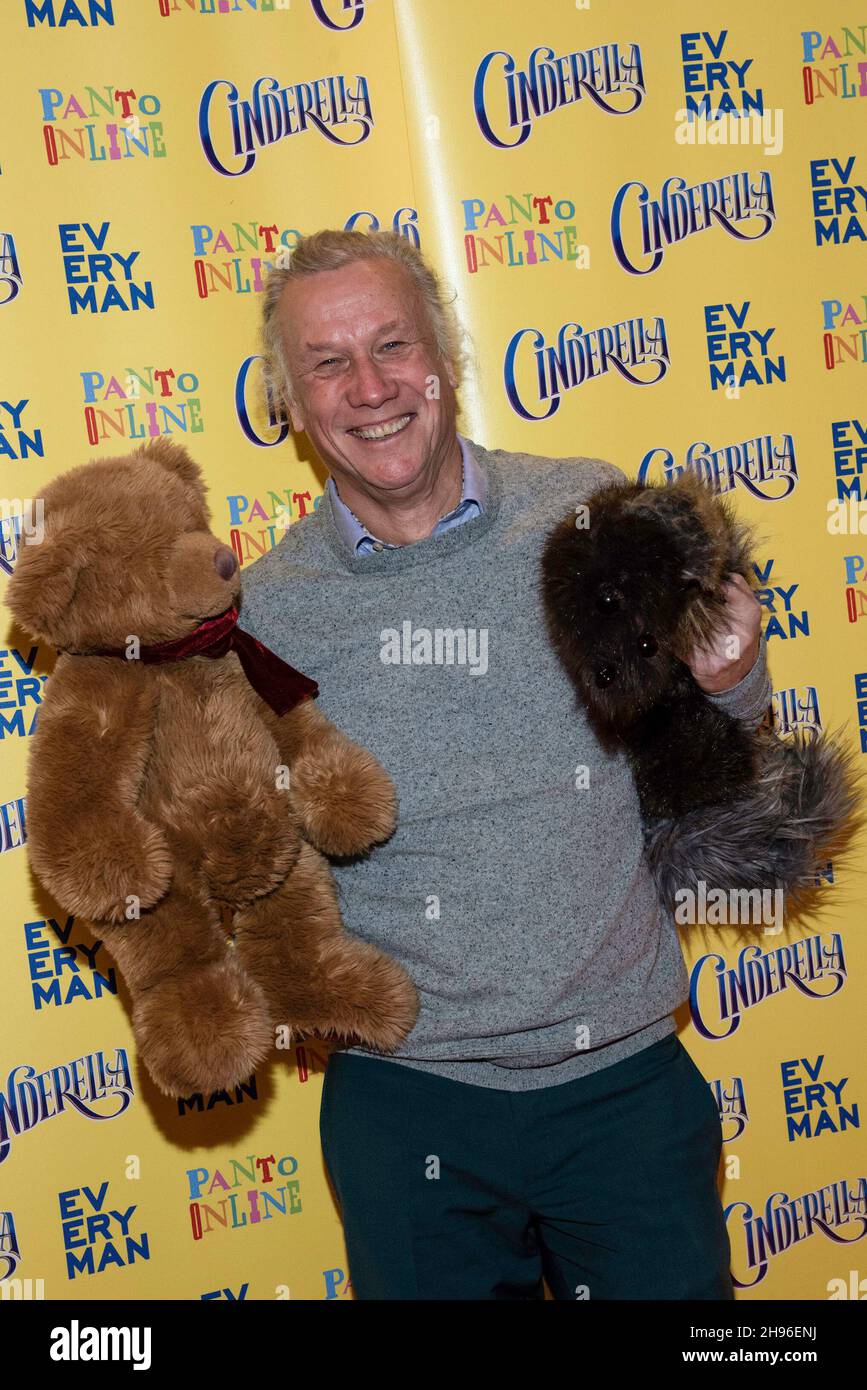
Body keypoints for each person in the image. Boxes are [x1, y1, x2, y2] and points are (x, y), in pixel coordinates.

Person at [240, 228, 769, 1301]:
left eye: (393, 345)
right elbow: (253, 862)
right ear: (289, 404)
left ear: (445, 358)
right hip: (409, 1111)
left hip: (623, 1089)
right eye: (328, 364)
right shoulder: (267, 615)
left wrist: (735, 676)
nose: (370, 387)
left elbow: (713, 763)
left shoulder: (588, 514)